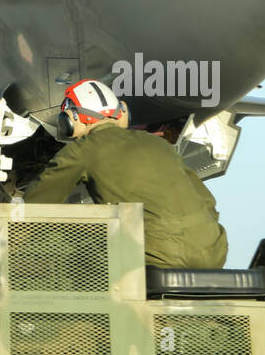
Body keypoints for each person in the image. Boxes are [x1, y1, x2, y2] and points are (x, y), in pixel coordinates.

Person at [23, 79, 228, 268]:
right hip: (213, 252)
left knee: (70, 247)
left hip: (158, 257)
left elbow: (35, 203)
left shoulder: (83, 150)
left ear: (71, 119)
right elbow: (207, 202)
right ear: (121, 113)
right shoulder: (159, 143)